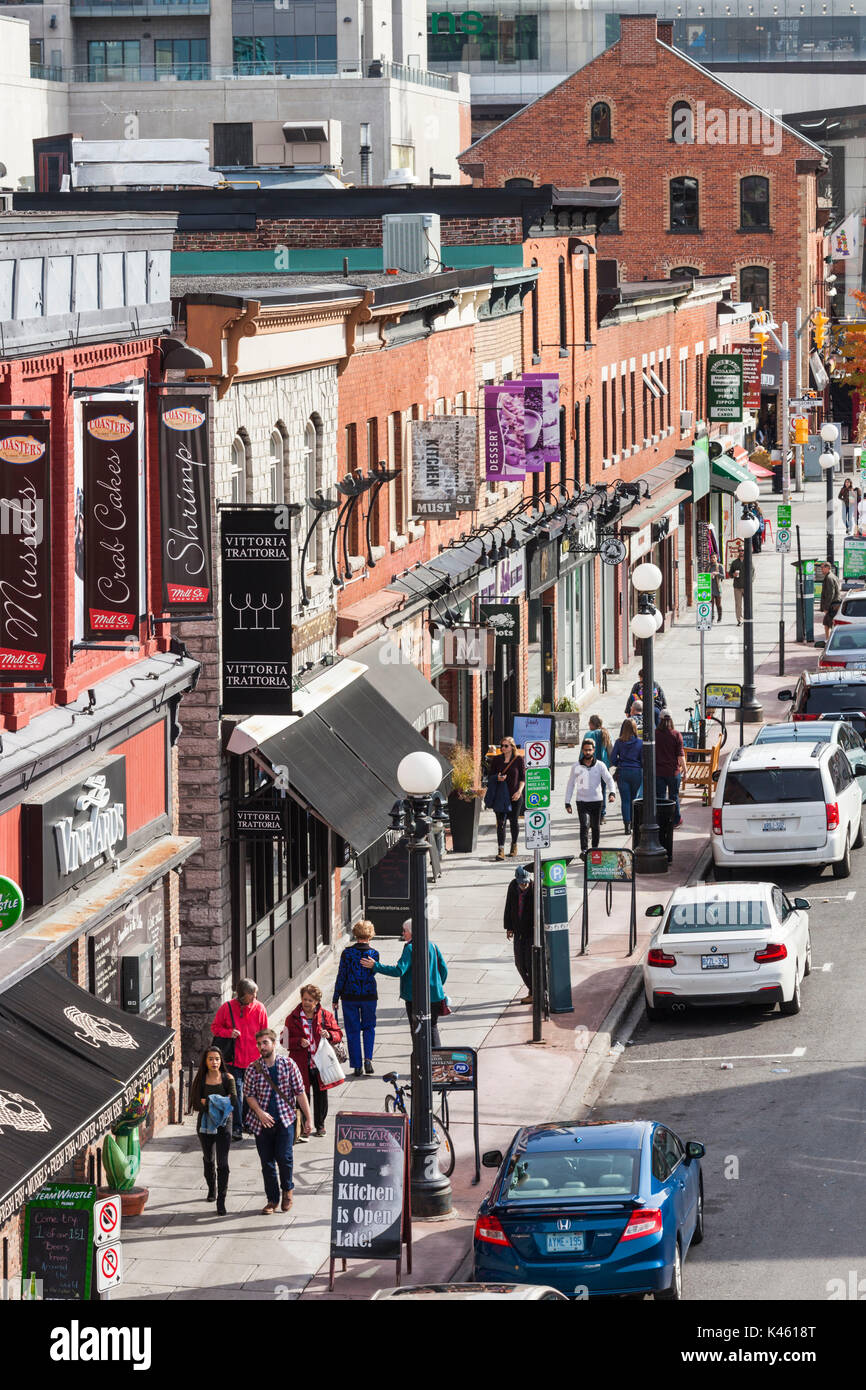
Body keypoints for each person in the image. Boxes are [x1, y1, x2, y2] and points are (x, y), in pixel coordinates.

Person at [243, 1029, 312, 1215]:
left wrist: (308, 1118)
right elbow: (249, 1095)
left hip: (285, 1119)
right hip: (262, 1123)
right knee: (267, 1163)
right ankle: (272, 1199)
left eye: (265, 1043)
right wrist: (260, 1113)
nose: (261, 1047)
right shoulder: (253, 1069)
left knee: (284, 1157)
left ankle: (287, 1191)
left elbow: (300, 1092)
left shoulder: (289, 1065)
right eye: (258, 1044)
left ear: (274, 1043)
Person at [361, 920, 448, 1047]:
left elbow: (399, 970)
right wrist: (437, 986)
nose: (402, 933)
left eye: (404, 931)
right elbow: (444, 969)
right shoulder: (432, 945)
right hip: (435, 996)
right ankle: (437, 1059)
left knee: (417, 1029)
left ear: (412, 932)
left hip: (415, 997)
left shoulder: (410, 948)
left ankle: (420, 1059)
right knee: (432, 1027)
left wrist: (376, 966)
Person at [210, 979, 269, 1141]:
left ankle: (247, 1122)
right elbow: (215, 1028)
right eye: (252, 994)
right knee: (237, 1094)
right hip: (234, 1061)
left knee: (252, 1094)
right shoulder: (227, 1008)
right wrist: (229, 1033)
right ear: (242, 994)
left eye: (255, 994)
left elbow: (265, 1033)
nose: (255, 997)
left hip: (254, 1061)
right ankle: (237, 1127)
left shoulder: (260, 1008)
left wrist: (266, 1053)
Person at [285, 985, 343, 1139]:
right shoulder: (292, 1018)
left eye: (310, 1000)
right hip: (300, 1063)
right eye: (304, 999)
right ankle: (304, 1127)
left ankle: (320, 1125)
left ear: (317, 1001)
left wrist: (329, 1034)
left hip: (320, 1063)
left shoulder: (326, 1016)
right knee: (302, 1095)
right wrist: (298, 1042)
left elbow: (338, 1034)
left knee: (321, 1095)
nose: (306, 1002)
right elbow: (283, 1041)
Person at [189, 1047, 236, 1215]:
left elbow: (234, 1102)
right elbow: (196, 1104)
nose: (214, 1062)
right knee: (209, 1159)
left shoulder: (228, 1078)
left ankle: (221, 1201)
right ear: (206, 1062)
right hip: (205, 1125)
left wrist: (209, 1102)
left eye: (217, 1059)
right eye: (210, 1059)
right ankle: (212, 1188)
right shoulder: (201, 1079)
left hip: (225, 1125)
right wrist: (220, 1103)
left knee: (222, 1163)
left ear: (221, 1061)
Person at [332, 919, 379, 1078]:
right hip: (369, 996)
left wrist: (335, 996)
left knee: (352, 1031)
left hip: (349, 996)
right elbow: (373, 972)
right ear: (370, 934)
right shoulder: (374, 953)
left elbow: (342, 976)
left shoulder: (347, 953)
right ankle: (368, 1060)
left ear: (355, 934)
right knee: (369, 1028)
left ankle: (357, 1065)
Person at [565, 737, 616, 853]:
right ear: (582, 751)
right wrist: (567, 802)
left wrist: (612, 793)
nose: (587, 752)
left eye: (589, 750)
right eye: (585, 750)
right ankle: (584, 850)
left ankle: (594, 849)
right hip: (582, 801)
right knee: (584, 825)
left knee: (595, 827)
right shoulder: (576, 767)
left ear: (593, 750)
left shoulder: (600, 765)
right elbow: (570, 785)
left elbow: (609, 779)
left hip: (597, 801)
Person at [483, 736, 525, 861]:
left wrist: (519, 791)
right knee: (501, 823)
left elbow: (523, 778)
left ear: (512, 747)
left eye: (506, 746)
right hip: (500, 796)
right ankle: (500, 850)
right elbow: (490, 777)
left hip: (514, 795)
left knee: (513, 822)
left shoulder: (518, 759)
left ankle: (514, 846)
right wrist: (497, 778)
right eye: (502, 745)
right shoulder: (496, 760)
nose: (503, 748)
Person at [503, 865, 534, 1004]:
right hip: (518, 930)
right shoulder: (512, 886)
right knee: (519, 963)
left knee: (530, 962)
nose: (524, 885)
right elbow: (509, 905)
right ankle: (533, 989)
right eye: (522, 883)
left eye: (526, 882)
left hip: (531, 932)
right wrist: (509, 926)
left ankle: (534, 992)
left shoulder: (534, 889)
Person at [610, 718, 643, 835]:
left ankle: (627, 826)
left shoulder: (619, 742)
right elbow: (643, 760)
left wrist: (621, 762)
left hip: (623, 772)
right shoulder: (640, 743)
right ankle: (634, 822)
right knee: (634, 799)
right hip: (636, 772)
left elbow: (613, 759)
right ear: (635, 728)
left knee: (625, 800)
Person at [655, 712, 686, 828]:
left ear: (660, 720)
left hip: (658, 772)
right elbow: (680, 756)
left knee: (660, 797)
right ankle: (675, 820)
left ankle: (661, 820)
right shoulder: (676, 735)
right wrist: (685, 771)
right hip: (673, 772)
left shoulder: (655, 734)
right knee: (674, 796)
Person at [586, 713, 613, 820]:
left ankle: (593, 813)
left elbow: (584, 751)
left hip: (590, 766)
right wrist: (610, 764)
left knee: (592, 790)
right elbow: (611, 750)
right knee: (603, 789)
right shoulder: (607, 734)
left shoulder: (589, 735)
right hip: (604, 766)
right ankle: (602, 813)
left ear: (592, 724)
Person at [728, 549, 754, 627]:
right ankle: (740, 620)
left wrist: (750, 582)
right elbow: (730, 573)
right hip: (737, 587)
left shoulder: (749, 561)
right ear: (738, 552)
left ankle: (748, 618)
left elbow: (753, 572)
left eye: (743, 550)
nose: (741, 552)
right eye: (740, 550)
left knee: (748, 603)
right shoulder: (735, 562)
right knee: (738, 604)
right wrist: (733, 575)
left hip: (747, 587)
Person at [820, 560, 841, 642]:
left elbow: (830, 593)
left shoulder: (829, 578)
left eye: (822, 568)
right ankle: (828, 639)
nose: (821, 569)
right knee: (828, 623)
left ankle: (829, 640)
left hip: (833, 605)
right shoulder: (832, 576)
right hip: (834, 604)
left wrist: (826, 607)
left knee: (828, 623)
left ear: (828, 568)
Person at [710, 555, 723, 623]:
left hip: (718, 589)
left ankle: (719, 617)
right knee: (711, 604)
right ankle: (712, 617)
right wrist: (710, 575)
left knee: (718, 604)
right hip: (710, 588)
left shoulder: (719, 566)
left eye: (714, 557)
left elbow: (723, 576)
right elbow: (704, 575)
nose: (712, 559)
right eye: (711, 558)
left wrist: (717, 573)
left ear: (716, 558)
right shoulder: (708, 567)